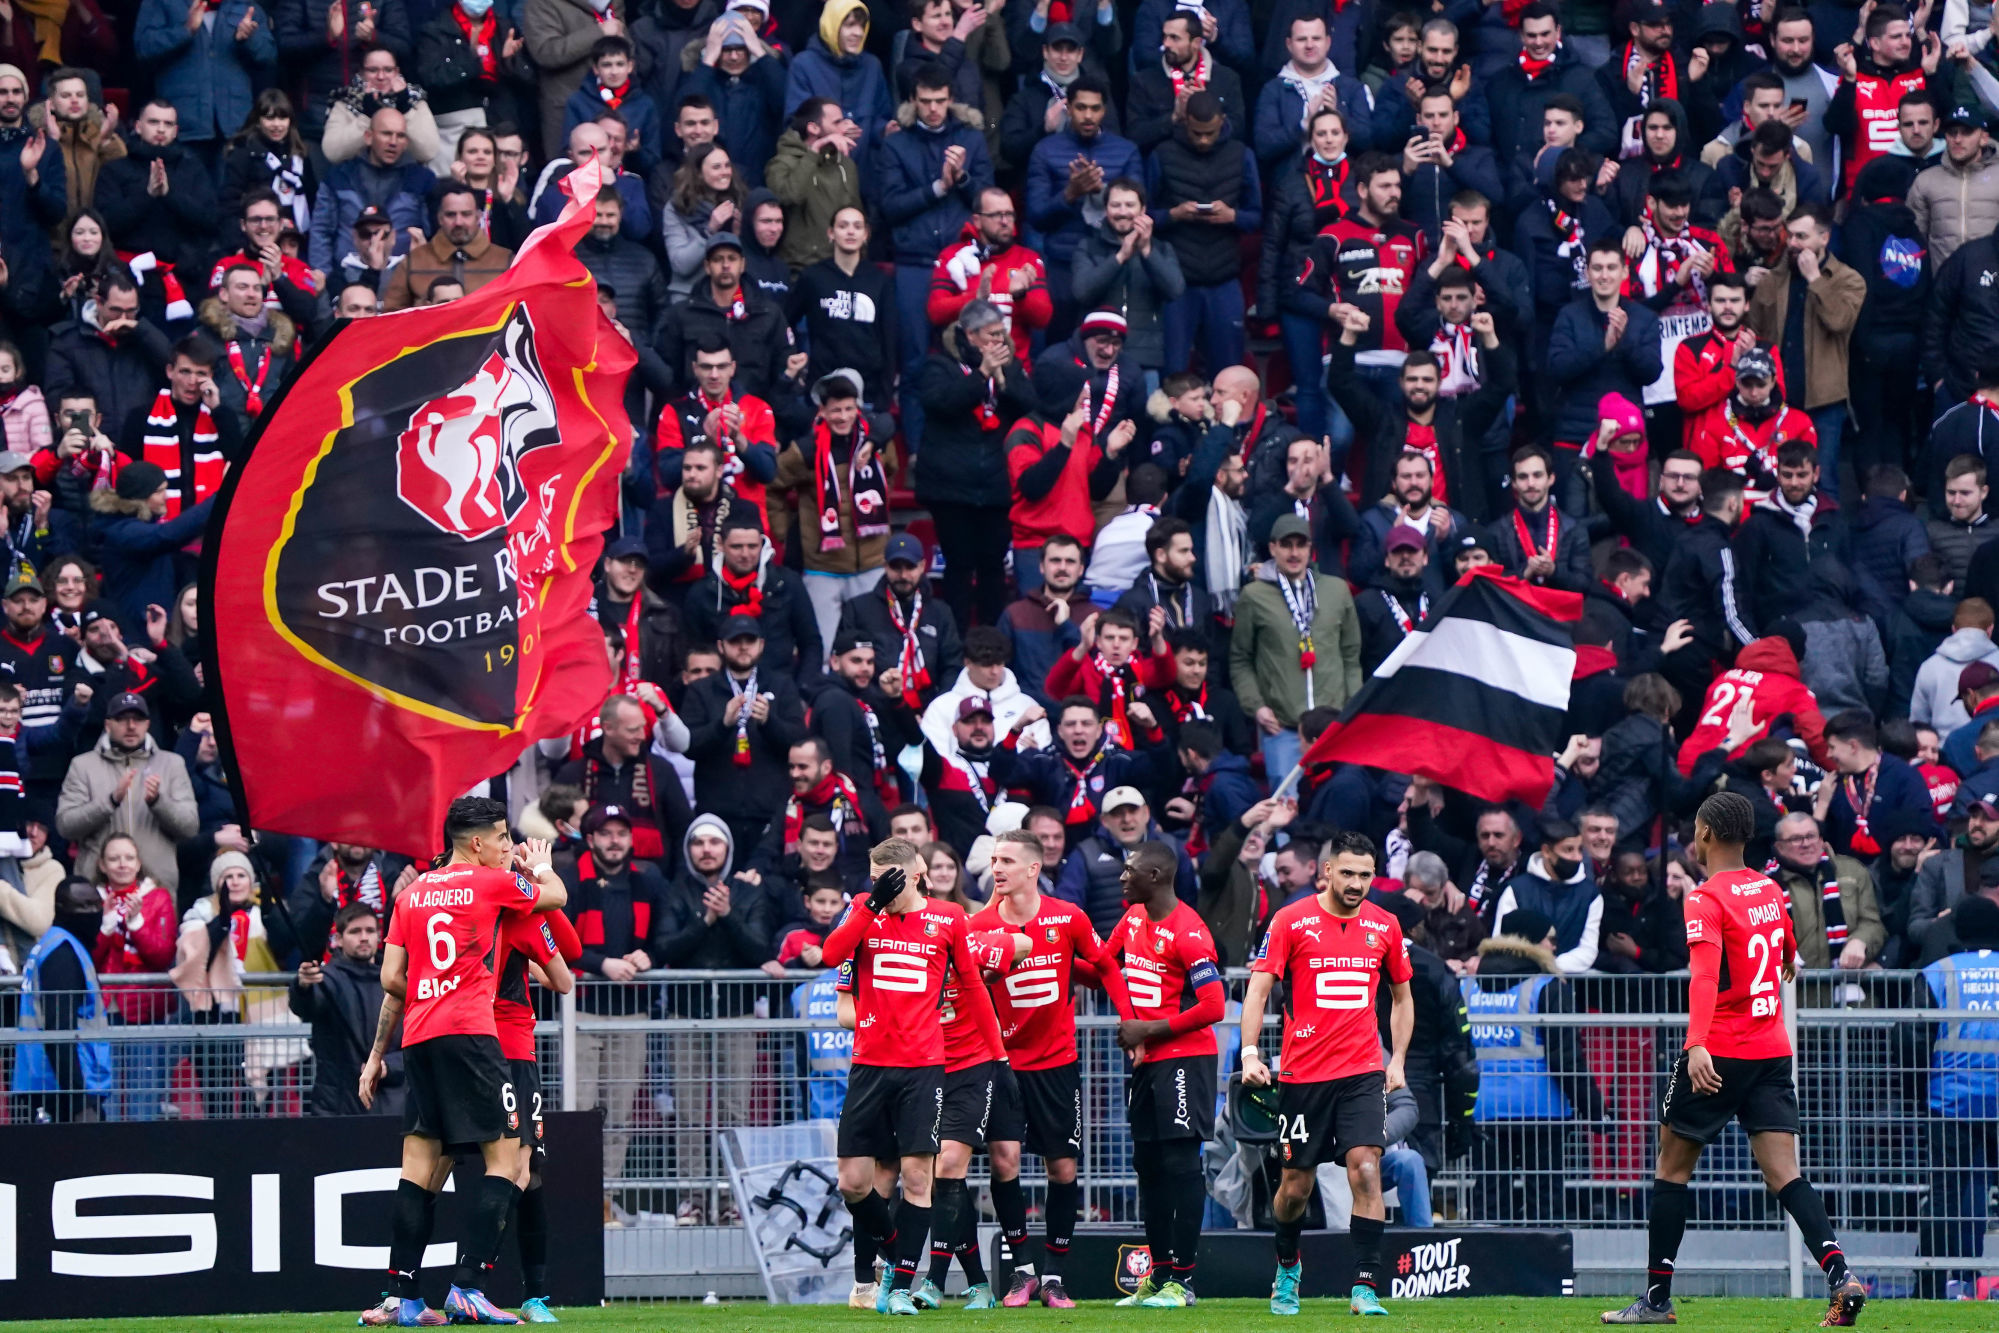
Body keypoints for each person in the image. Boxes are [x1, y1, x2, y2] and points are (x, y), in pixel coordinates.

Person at [1601, 792, 1868, 1326]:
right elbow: (1788, 946)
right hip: (1772, 1049)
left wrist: (1696, 1043)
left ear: (1704, 833)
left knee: (1671, 1170)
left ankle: (1656, 1300)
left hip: (1721, 1048)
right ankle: (1841, 1276)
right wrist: (1783, 958)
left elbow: (1703, 975)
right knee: (1786, 1174)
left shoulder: (1705, 897)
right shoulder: (1767, 886)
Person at [354, 798, 566, 1327]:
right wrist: (540, 867)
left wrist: (429, 995)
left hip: (419, 1036)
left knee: (418, 1168)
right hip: (471, 1034)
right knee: (509, 1162)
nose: (505, 846)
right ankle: (469, 1286)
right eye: (501, 838)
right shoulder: (490, 883)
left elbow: (390, 978)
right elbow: (556, 898)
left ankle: (404, 1298)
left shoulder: (411, 894)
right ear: (477, 842)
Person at [821, 837, 1004, 1316]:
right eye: (873, 878)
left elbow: (973, 987)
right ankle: (896, 1247)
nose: (877, 886)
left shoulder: (949, 918)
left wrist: (999, 1056)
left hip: (923, 1067)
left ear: (912, 875)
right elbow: (830, 953)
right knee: (852, 1182)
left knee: (918, 1177)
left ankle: (900, 1286)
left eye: (885, 879)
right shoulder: (863, 909)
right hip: (869, 1064)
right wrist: (871, 905)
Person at [1242, 829, 1414, 1316]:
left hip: (1362, 1072)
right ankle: (1287, 1265)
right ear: (1327, 871)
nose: (1357, 883)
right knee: (1295, 1187)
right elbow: (1258, 991)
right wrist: (1250, 1053)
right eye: (1348, 873)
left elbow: (1402, 998)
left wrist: (1397, 1060)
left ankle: (1365, 1286)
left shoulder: (1384, 925)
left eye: (1366, 875)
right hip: (1303, 1075)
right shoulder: (1290, 920)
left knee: (1366, 1166)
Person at [967, 828, 1102, 1309]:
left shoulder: (1068, 916)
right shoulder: (978, 925)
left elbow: (1102, 967)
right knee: (1004, 1161)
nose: (996, 868)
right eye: (993, 860)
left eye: (1006, 860)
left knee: (1062, 1169)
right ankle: (1022, 1270)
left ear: (1033, 868)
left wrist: (1133, 1022)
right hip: (1002, 1064)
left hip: (1056, 1064)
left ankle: (1054, 1276)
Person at [1097, 840, 1225, 1307]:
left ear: (1155, 876)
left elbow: (1214, 1006)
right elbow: (1104, 964)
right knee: (1148, 1166)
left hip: (1186, 1060)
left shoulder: (1190, 932)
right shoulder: (1133, 918)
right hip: (1148, 1062)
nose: (1121, 877)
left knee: (1180, 1165)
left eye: (1130, 870)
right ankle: (1159, 1275)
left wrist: (1147, 1029)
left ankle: (1183, 1282)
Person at [917, 299, 1036, 629]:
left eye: (1002, 333)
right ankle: (954, 641)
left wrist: (1003, 379)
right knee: (958, 567)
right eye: (992, 334)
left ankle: (991, 640)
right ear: (970, 335)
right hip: (951, 488)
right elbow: (941, 403)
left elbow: (1030, 405)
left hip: (996, 486)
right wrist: (981, 374)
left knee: (992, 569)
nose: (1000, 340)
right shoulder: (940, 364)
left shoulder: (1010, 364)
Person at [1745, 203, 1863, 499]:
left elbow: (1839, 321)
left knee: (1824, 480)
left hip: (1823, 401)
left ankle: (1825, 530)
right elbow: (1754, 331)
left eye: (1802, 236)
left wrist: (1815, 280)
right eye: (1790, 235)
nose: (1793, 243)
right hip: (1778, 397)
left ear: (1824, 238)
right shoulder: (1773, 279)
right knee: (1775, 477)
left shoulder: (1849, 280)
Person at [775, 371, 898, 652]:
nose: (843, 417)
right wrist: (784, 531)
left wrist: (877, 504)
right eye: (835, 410)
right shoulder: (805, 451)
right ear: (822, 411)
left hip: (872, 563)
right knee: (823, 649)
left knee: (874, 648)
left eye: (848, 409)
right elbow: (773, 485)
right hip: (823, 568)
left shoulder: (877, 444)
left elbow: (890, 471)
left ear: (857, 408)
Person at [1232, 513, 1361, 778]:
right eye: (1286, 545)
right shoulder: (1254, 596)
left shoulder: (1337, 590)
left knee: (1337, 796)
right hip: (1283, 727)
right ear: (1272, 548)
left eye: (1300, 545)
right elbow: (1240, 659)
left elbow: (1351, 655)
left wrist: (1351, 704)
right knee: (1285, 800)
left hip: (1331, 725)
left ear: (1310, 548)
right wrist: (1256, 706)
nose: (1294, 553)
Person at [1494, 817, 1603, 975]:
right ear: (1546, 851)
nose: (1577, 857)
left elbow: (1588, 950)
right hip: (1521, 981)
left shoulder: (1590, 894)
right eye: (1568, 850)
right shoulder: (1516, 890)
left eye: (1580, 849)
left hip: (1570, 982)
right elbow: (1500, 941)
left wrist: (1548, 965)